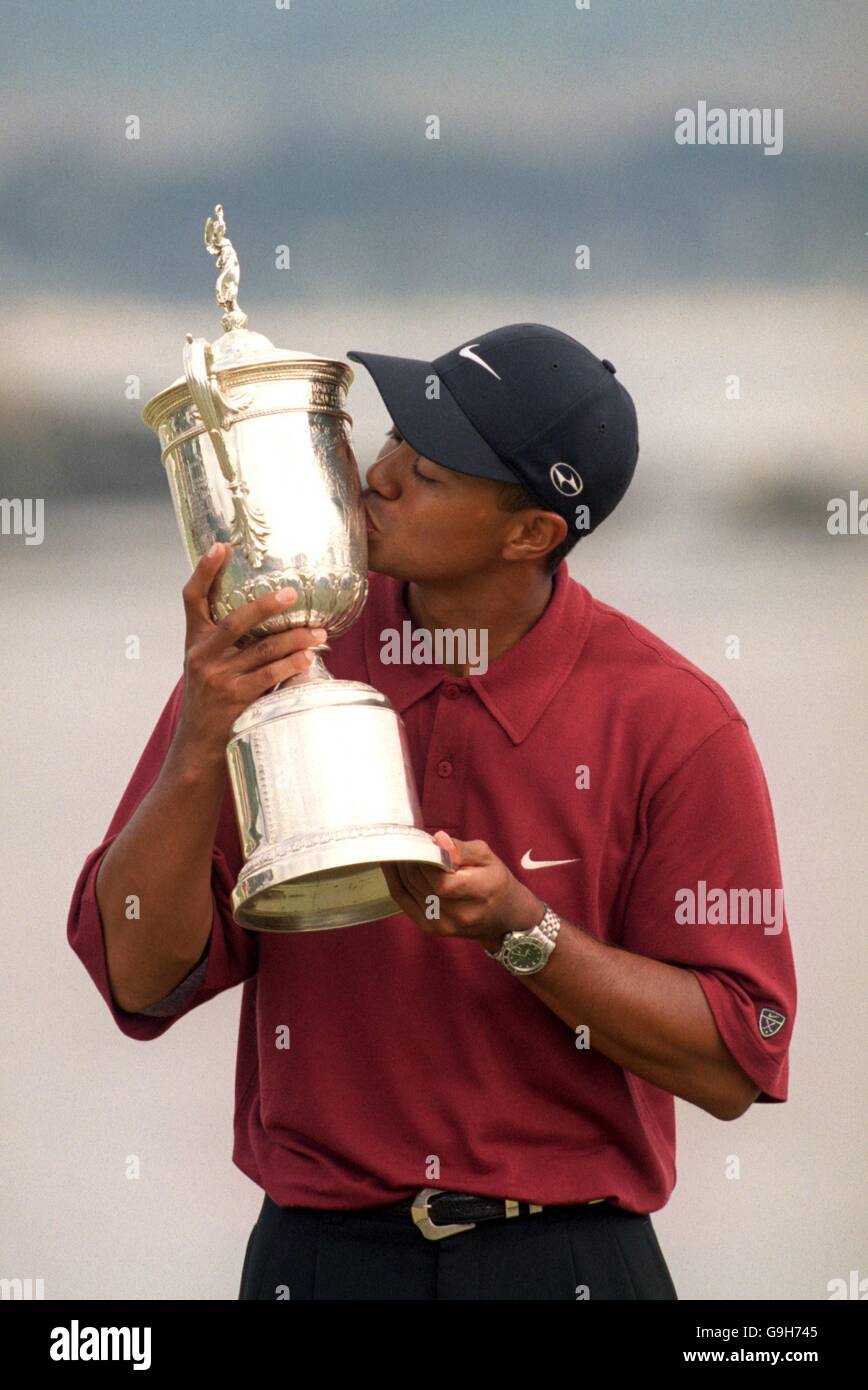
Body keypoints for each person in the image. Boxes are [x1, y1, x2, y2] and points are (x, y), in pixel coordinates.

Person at [67, 323, 796, 1301]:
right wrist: (201, 736)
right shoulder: (275, 650)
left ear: (529, 532)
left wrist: (522, 933)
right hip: (318, 1262)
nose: (382, 473)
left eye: (433, 471)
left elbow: (728, 1066)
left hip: (569, 1264)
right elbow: (137, 974)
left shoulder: (673, 720)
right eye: (396, 438)